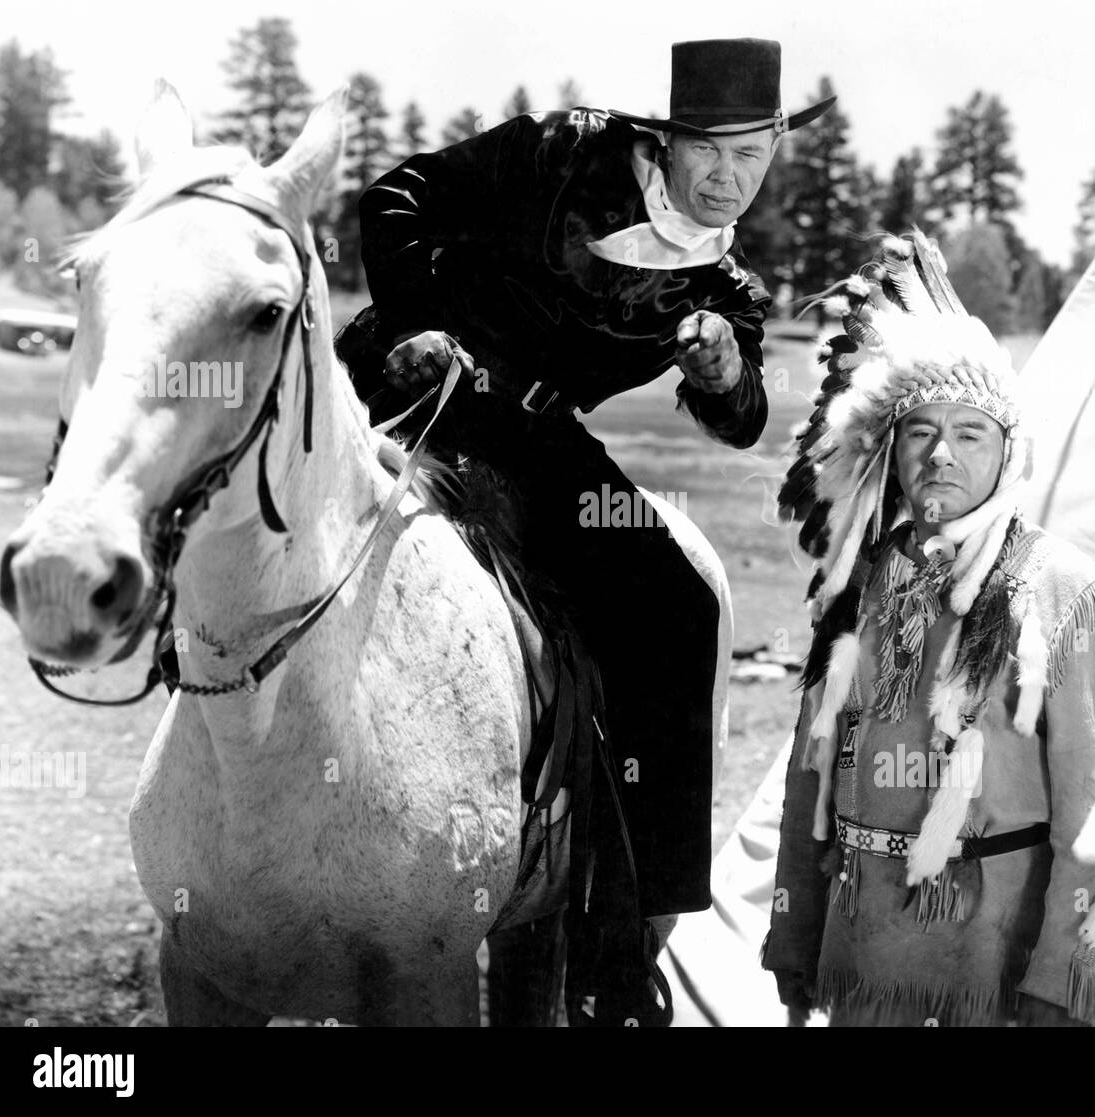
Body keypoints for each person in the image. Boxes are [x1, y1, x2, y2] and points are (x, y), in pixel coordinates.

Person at [343, 39, 835, 1025]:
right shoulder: (561, 151)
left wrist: (721, 375)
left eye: (755, 156)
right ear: (664, 137)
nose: (732, 180)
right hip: (408, 387)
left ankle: (626, 933)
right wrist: (413, 324)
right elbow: (395, 195)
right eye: (713, 154)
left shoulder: (722, 284)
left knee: (678, 601)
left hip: (532, 441)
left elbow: (745, 417)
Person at [762, 232, 1095, 1026]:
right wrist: (795, 929)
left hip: (987, 971)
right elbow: (812, 773)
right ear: (891, 449)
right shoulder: (862, 583)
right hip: (864, 965)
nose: (941, 455)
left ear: (1008, 453)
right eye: (919, 432)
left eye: (969, 434)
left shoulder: (1069, 594)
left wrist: (1060, 985)